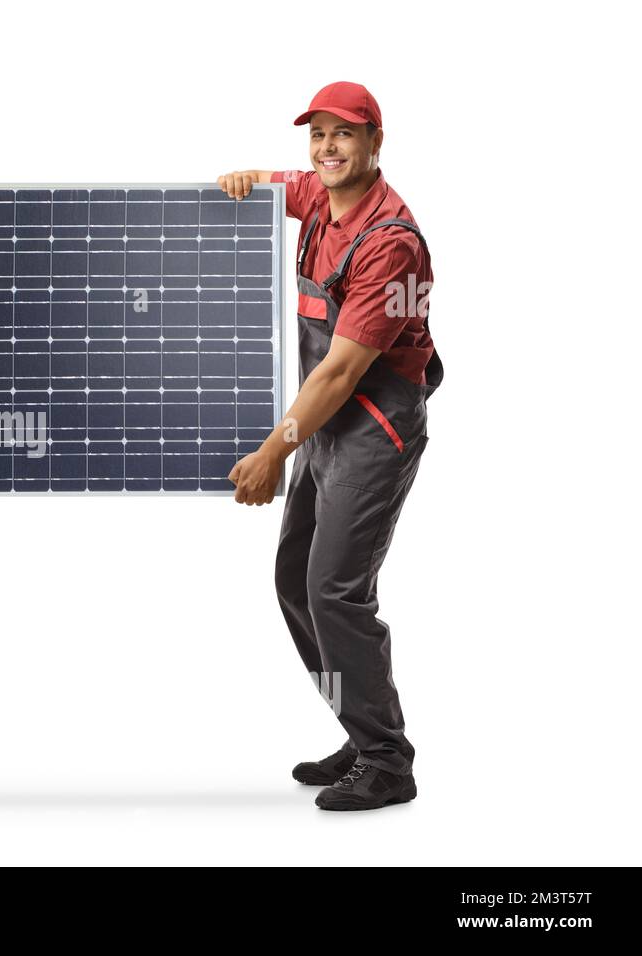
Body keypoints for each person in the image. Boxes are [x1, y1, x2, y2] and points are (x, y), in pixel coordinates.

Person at [220, 81, 443, 811]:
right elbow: (265, 184)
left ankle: (386, 759)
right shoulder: (320, 196)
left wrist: (273, 451)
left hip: (372, 429)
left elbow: (343, 371)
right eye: (317, 135)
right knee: (296, 581)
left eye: (344, 134)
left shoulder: (390, 242)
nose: (327, 148)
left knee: (335, 593)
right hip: (325, 424)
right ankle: (360, 725)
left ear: (376, 142)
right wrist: (242, 180)